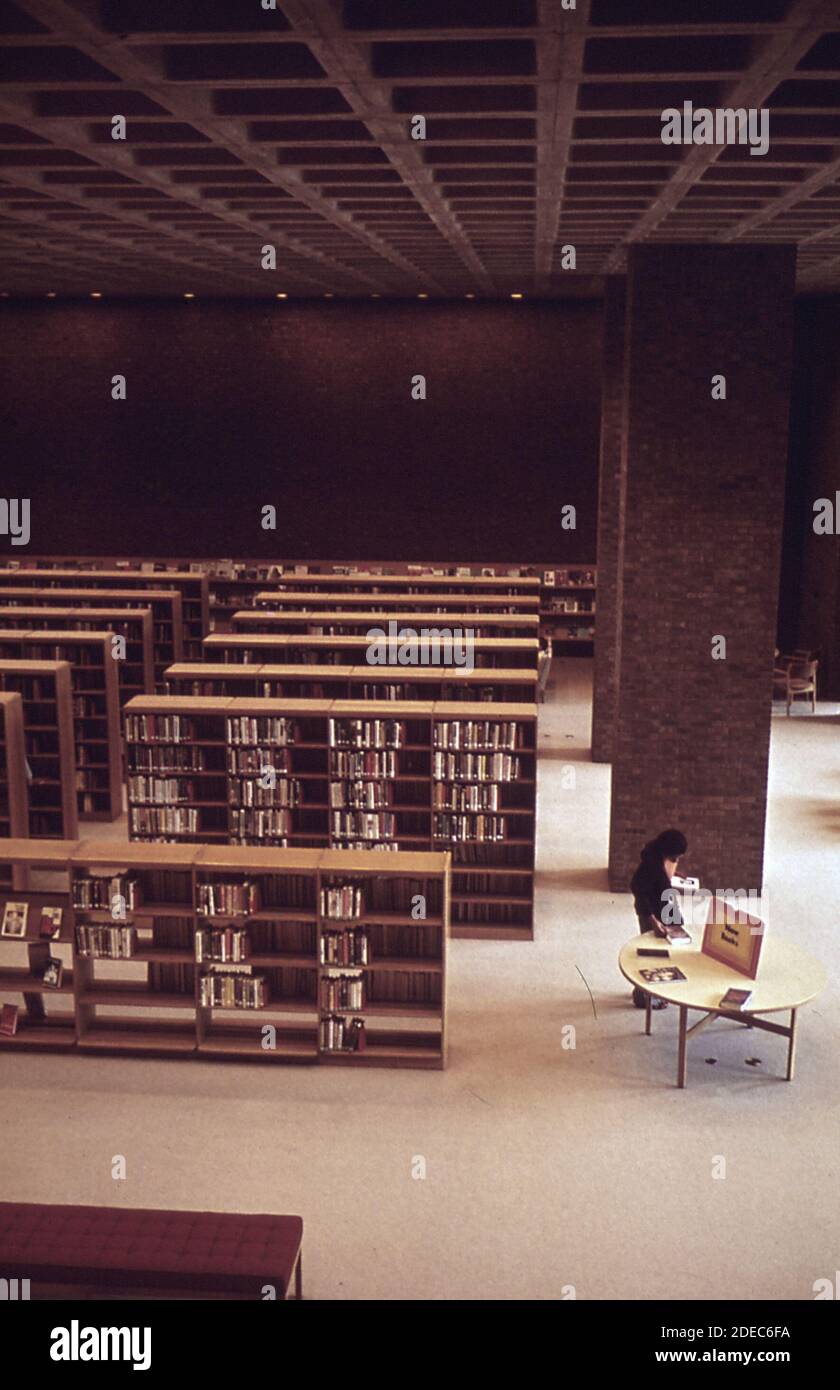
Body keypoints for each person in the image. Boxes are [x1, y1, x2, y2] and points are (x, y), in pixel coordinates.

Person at [629, 828, 688, 1009]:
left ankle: (647, 992)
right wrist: (652, 919)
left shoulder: (657, 858)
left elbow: (658, 880)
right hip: (652, 913)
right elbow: (638, 888)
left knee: (662, 952)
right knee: (652, 955)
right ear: (666, 851)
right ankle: (642, 996)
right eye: (675, 856)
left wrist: (672, 876)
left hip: (662, 908)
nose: (676, 860)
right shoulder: (650, 865)